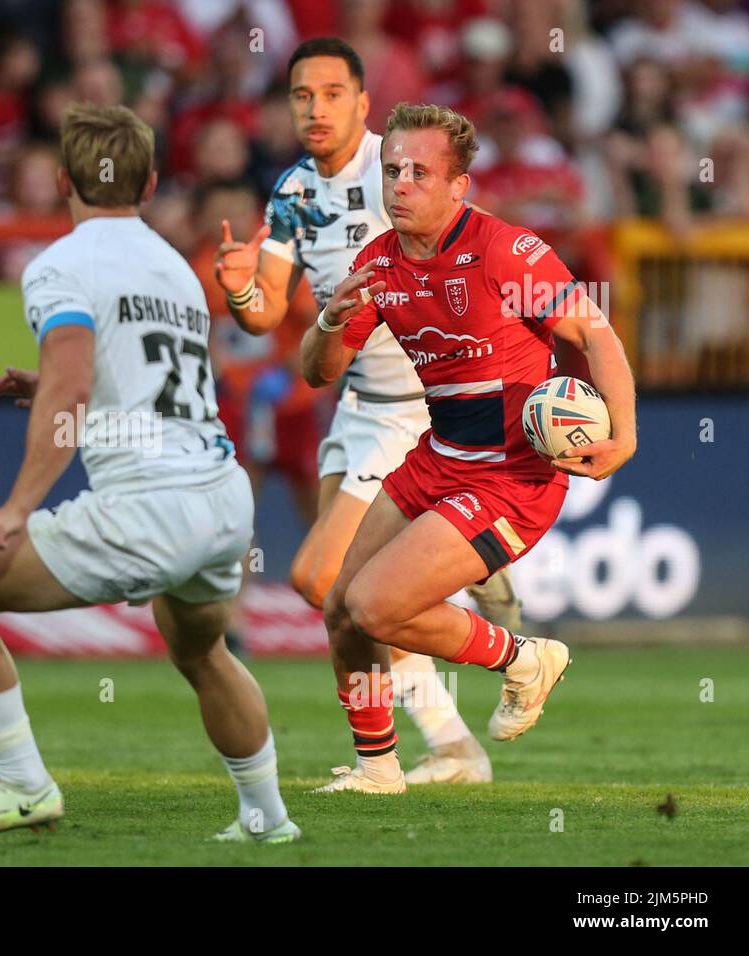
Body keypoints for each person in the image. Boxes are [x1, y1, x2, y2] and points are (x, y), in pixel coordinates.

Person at [0, 104, 300, 844]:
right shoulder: (176, 268)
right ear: (149, 184)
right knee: (201, 650)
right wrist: (57, 377)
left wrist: (19, 505)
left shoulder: (60, 265)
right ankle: (268, 819)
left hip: (147, 509)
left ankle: (21, 784)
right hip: (220, 496)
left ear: (61, 180)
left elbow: (74, 387)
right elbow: (151, 379)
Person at [299, 102, 636, 792]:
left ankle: (522, 657)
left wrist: (624, 436)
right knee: (340, 605)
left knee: (376, 606)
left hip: (511, 478)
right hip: (439, 456)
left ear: (459, 187)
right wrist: (331, 317)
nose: (400, 183)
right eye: (392, 169)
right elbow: (320, 371)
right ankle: (378, 768)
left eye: (420, 171)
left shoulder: (505, 251)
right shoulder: (379, 264)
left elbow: (595, 334)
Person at [214, 37, 517, 784]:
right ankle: (450, 745)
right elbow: (268, 314)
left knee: (324, 580)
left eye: (330, 93)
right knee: (347, 599)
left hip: (420, 404)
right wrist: (243, 290)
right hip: (356, 404)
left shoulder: (402, 167)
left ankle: (483, 652)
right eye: (300, 95)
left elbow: (472, 252)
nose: (315, 109)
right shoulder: (291, 192)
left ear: (361, 100)